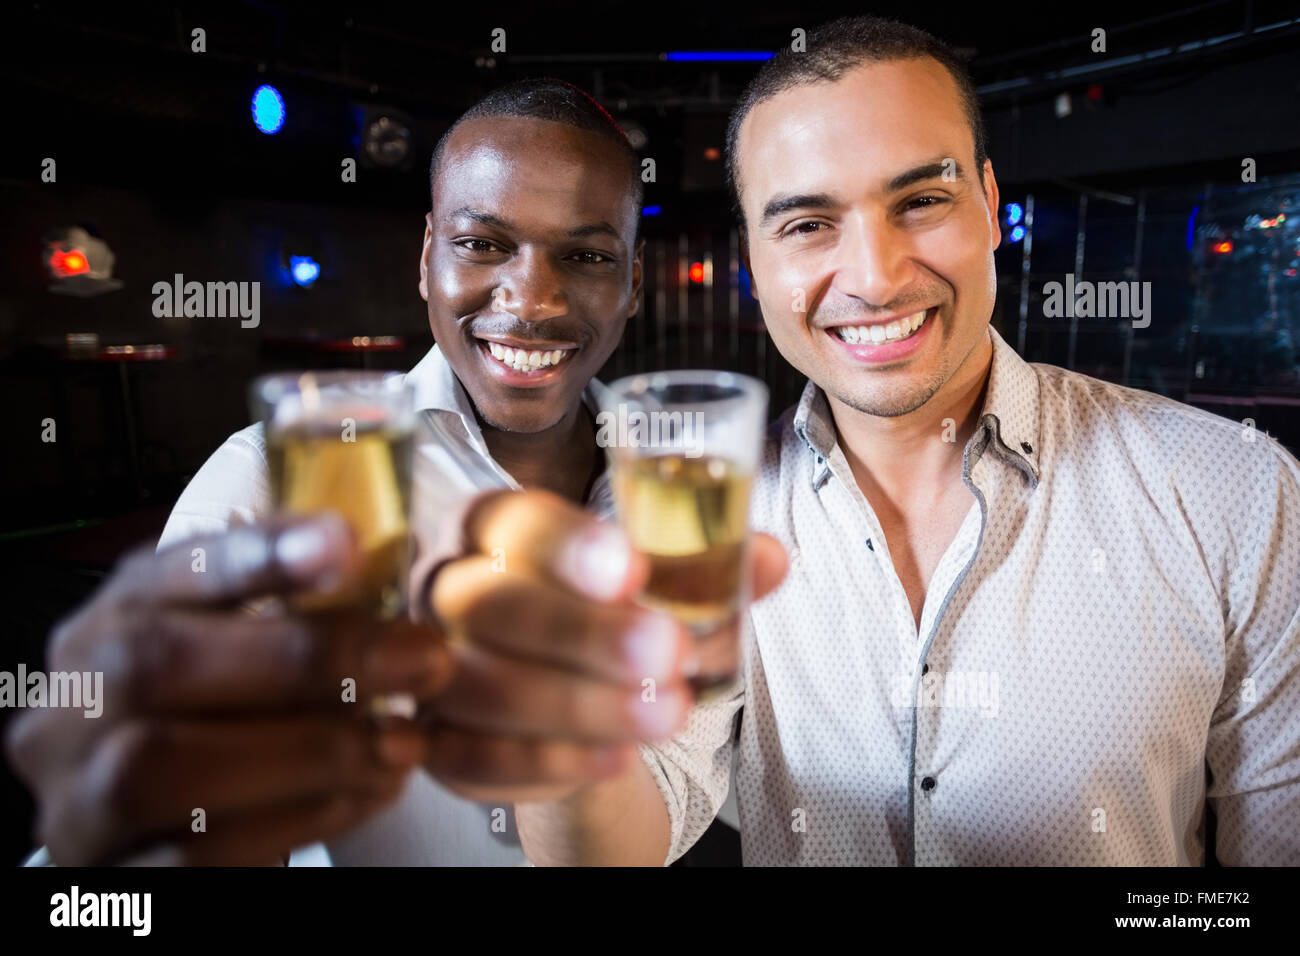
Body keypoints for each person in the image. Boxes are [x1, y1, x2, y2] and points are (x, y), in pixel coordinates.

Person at [510, 15, 1300, 865]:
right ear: (753, 260)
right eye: (808, 224)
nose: (877, 277)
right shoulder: (694, 511)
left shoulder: (1241, 493)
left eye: (921, 202)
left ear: (991, 207)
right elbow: (615, 844)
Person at [7, 79, 785, 866]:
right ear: (427, 258)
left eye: (584, 256)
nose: (532, 299)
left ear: (633, 285)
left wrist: (552, 724)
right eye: (483, 245)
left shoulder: (687, 499)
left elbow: (643, 837)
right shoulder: (278, 479)